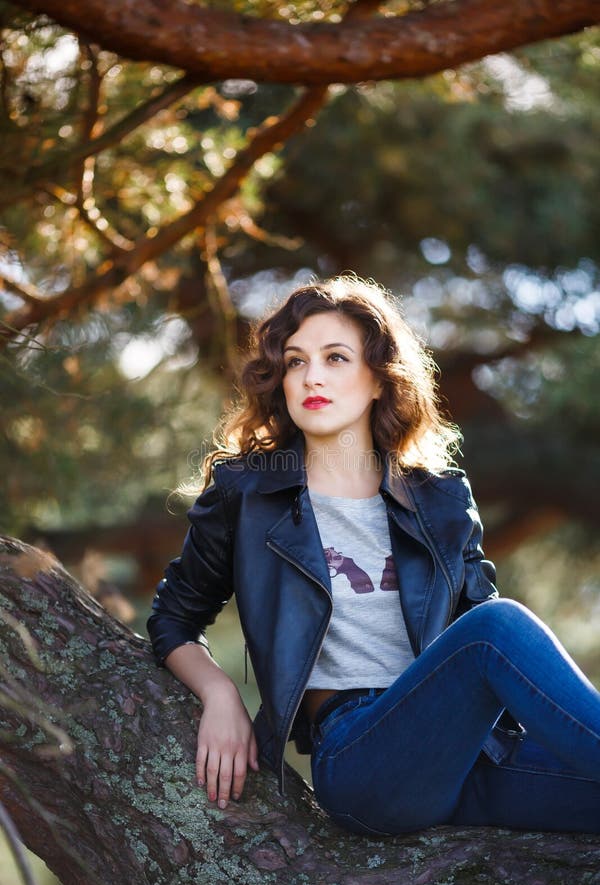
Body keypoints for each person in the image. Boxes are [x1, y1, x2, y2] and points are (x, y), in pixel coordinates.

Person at [148, 275, 600, 836]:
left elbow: (485, 655)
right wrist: (220, 693)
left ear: (379, 380)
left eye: (335, 358)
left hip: (463, 759)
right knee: (497, 628)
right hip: (361, 760)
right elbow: (173, 619)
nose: (312, 376)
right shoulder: (248, 494)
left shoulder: (439, 497)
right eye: (294, 362)